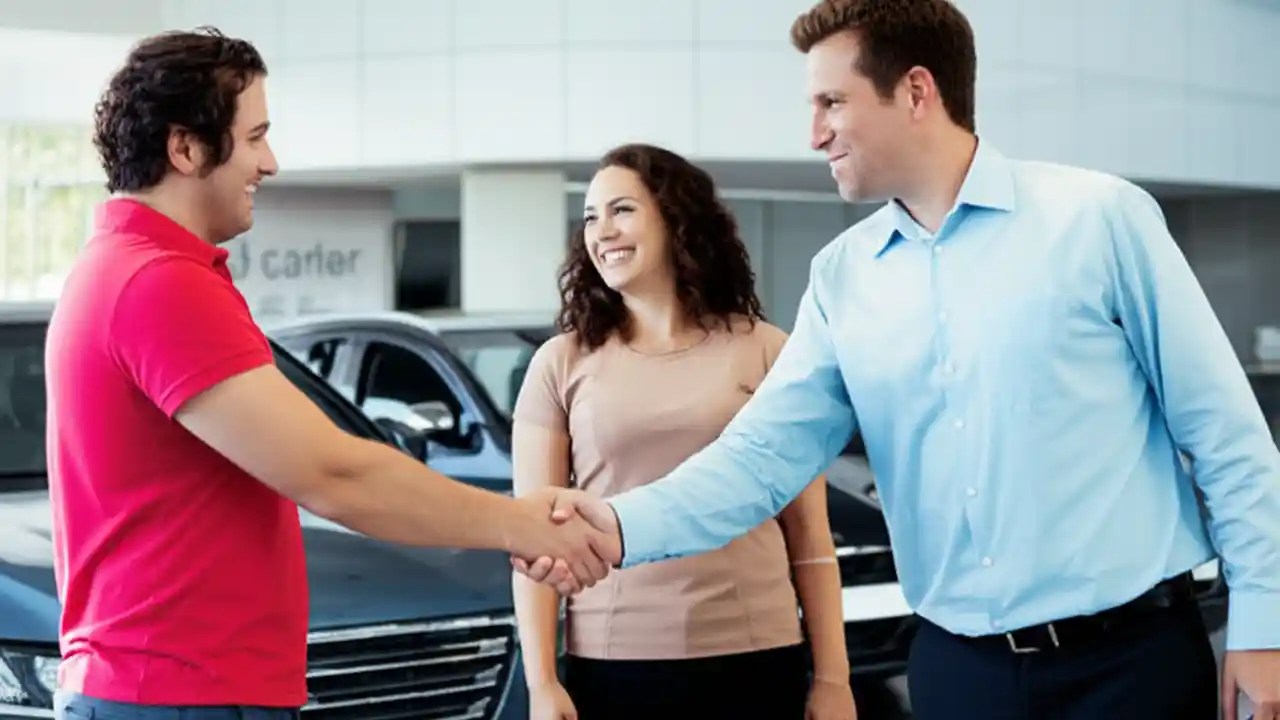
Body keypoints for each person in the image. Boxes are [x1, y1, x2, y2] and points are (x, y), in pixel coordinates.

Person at [515, 1, 1280, 719]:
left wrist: (1263, 624)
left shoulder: (1099, 220)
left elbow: (1225, 436)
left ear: (916, 91)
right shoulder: (844, 278)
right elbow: (759, 459)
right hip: (956, 674)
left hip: (1131, 668)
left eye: (832, 104)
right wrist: (618, 524)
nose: (814, 134)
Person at [44, 27, 615, 720]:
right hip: (182, 694)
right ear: (186, 147)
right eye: (255, 137)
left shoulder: (119, 269)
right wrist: (522, 525)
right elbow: (331, 472)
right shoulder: (157, 282)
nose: (271, 162)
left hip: (168, 690)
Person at [510, 143, 855, 720]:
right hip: (614, 664)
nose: (602, 231)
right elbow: (534, 538)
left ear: (675, 219)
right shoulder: (560, 362)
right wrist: (542, 682)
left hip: (758, 655)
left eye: (621, 210)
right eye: (591, 216)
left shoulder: (767, 350)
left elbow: (810, 539)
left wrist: (833, 677)